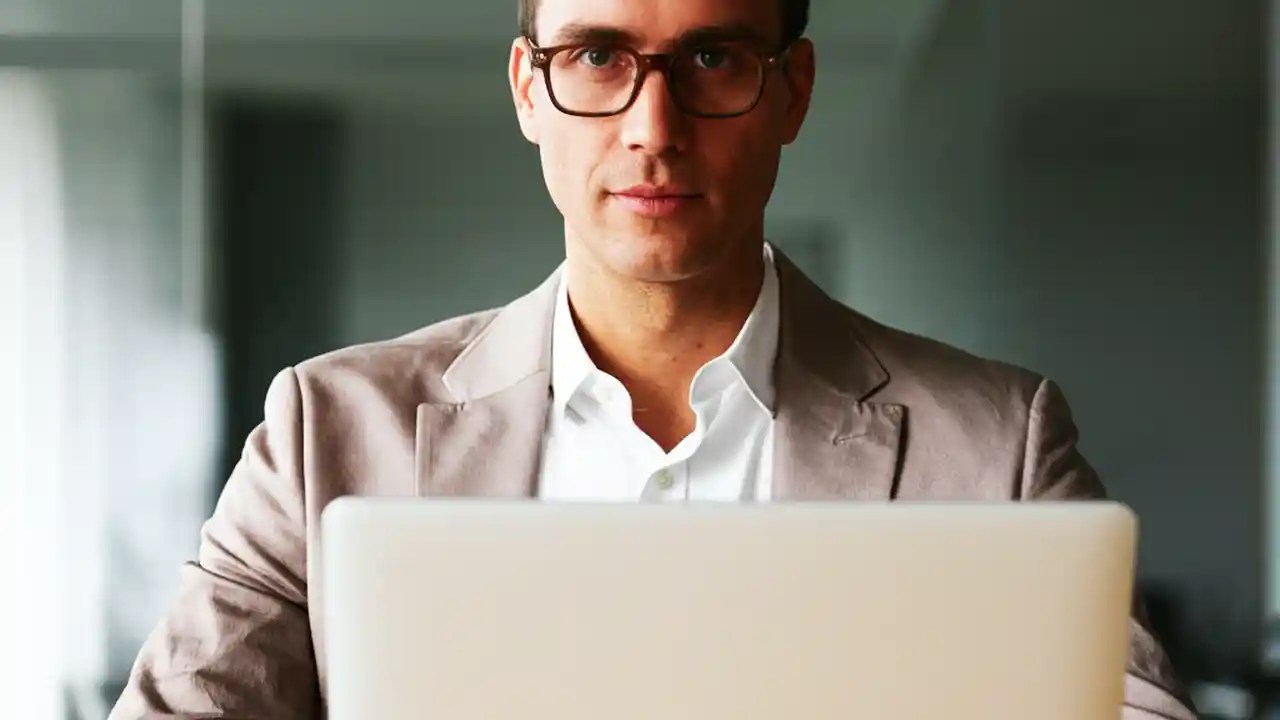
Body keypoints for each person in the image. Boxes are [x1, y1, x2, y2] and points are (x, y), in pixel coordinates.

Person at [111, 0, 1197, 717]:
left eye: (713, 57)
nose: (653, 124)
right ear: (529, 89)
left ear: (791, 91)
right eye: (596, 57)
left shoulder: (996, 443)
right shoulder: (328, 433)